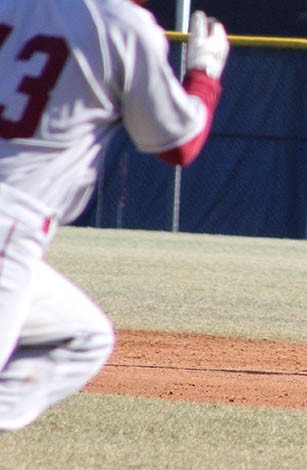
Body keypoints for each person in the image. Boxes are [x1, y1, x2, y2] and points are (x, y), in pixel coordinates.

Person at [0, 0, 229, 430]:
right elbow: (179, 145)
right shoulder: (122, 25)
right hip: (9, 220)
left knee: (82, 336)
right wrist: (205, 74)